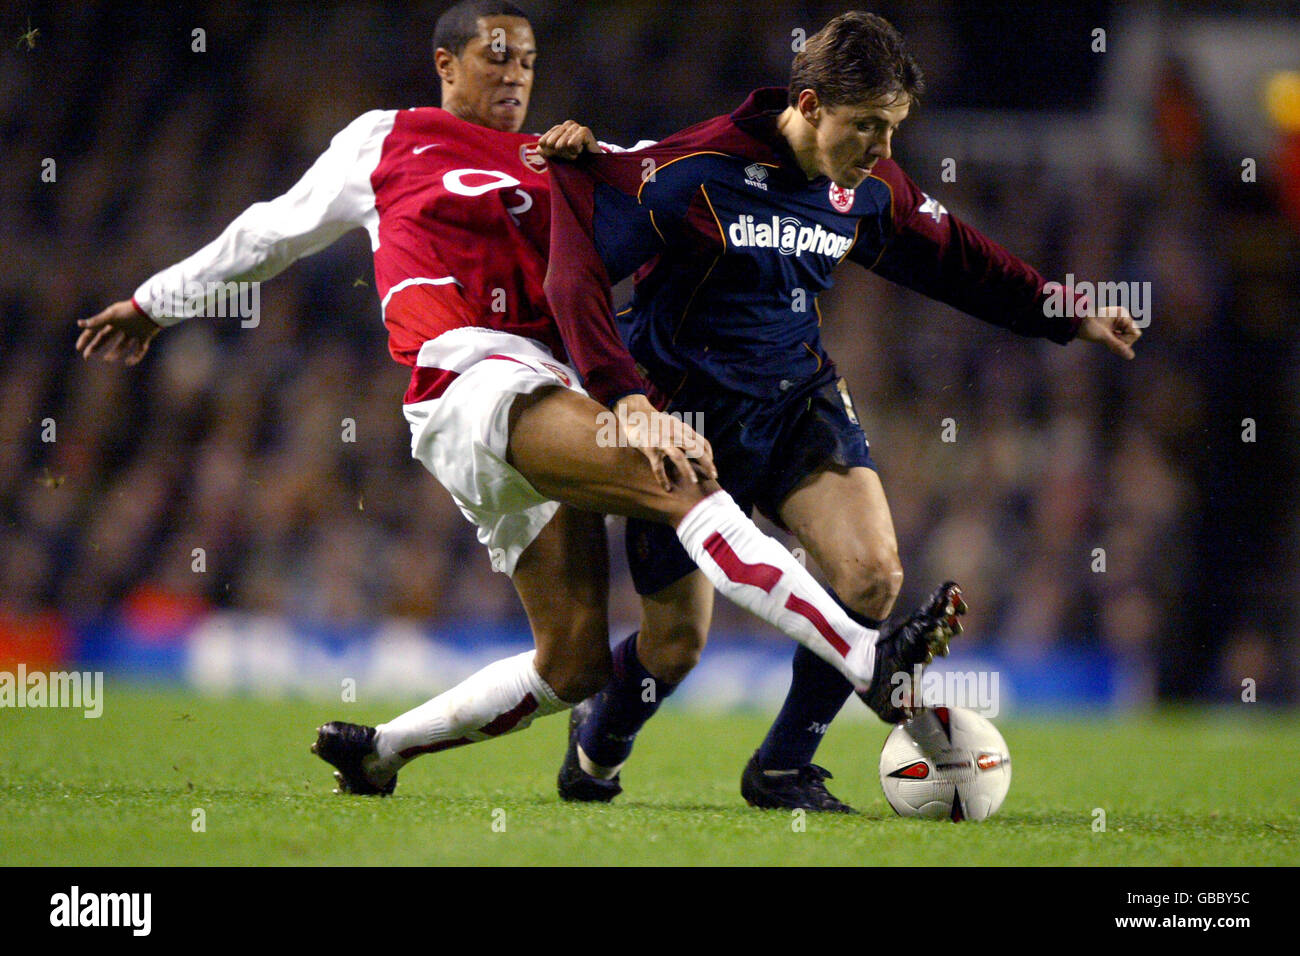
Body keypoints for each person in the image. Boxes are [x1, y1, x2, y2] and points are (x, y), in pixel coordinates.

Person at [76, 1, 963, 797]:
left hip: (542, 398)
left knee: (574, 661)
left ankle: (381, 752)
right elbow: (269, 229)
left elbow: (678, 184)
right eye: (493, 55)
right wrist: (157, 302)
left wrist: (604, 165)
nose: (513, 73)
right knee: (682, 471)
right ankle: (867, 659)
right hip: (467, 378)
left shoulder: (560, 158)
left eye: (527, 60)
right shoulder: (384, 139)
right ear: (445, 65)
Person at [544, 10, 1140, 811]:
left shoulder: (866, 187)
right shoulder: (693, 172)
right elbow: (575, 257)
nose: (885, 150)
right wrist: (620, 393)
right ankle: (599, 741)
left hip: (798, 398)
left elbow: (956, 257)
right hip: (686, 420)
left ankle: (785, 766)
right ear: (812, 104)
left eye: (893, 129)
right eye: (869, 127)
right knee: (675, 648)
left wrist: (1065, 309)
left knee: (872, 575)